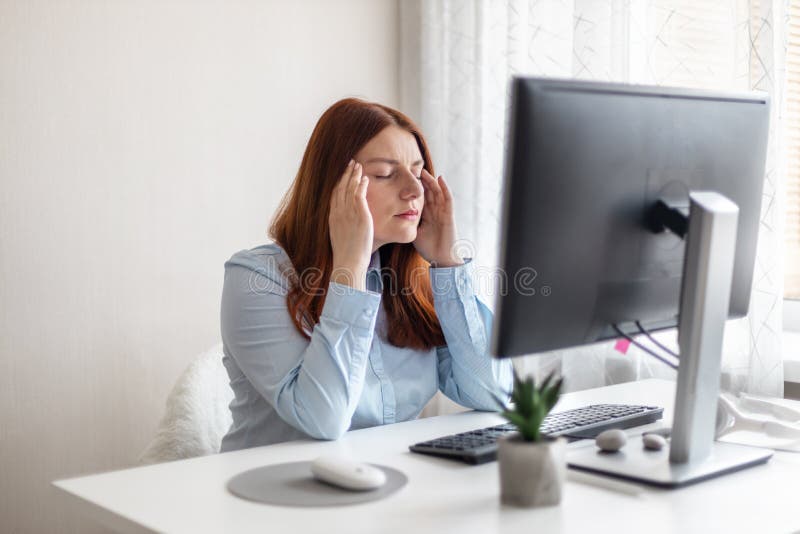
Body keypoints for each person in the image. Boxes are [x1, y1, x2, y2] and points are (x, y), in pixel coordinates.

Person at [219, 98, 513, 451]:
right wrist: (350, 270)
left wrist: (447, 263)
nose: (415, 190)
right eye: (385, 174)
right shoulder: (256, 278)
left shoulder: (411, 282)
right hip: (277, 481)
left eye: (418, 171)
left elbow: (493, 393)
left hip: (389, 478)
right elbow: (323, 419)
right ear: (333, 188)